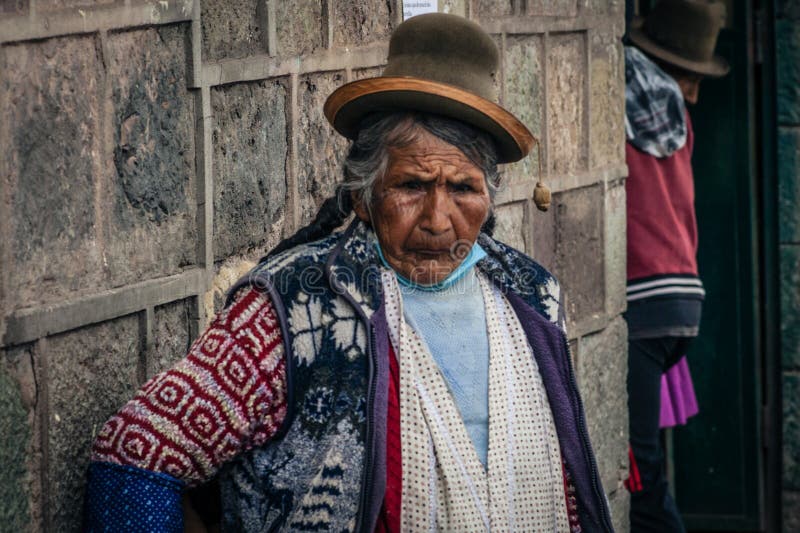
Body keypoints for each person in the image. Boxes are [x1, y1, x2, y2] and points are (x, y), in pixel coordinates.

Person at [84, 13, 613, 532]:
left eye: (462, 189)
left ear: (489, 198)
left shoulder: (532, 295)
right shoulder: (291, 308)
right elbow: (134, 453)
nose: (436, 219)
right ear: (363, 196)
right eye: (411, 186)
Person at [623, 1, 729, 531]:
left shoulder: (618, 97)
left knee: (641, 478)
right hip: (683, 299)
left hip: (643, 302)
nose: (694, 92)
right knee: (643, 459)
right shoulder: (678, 117)